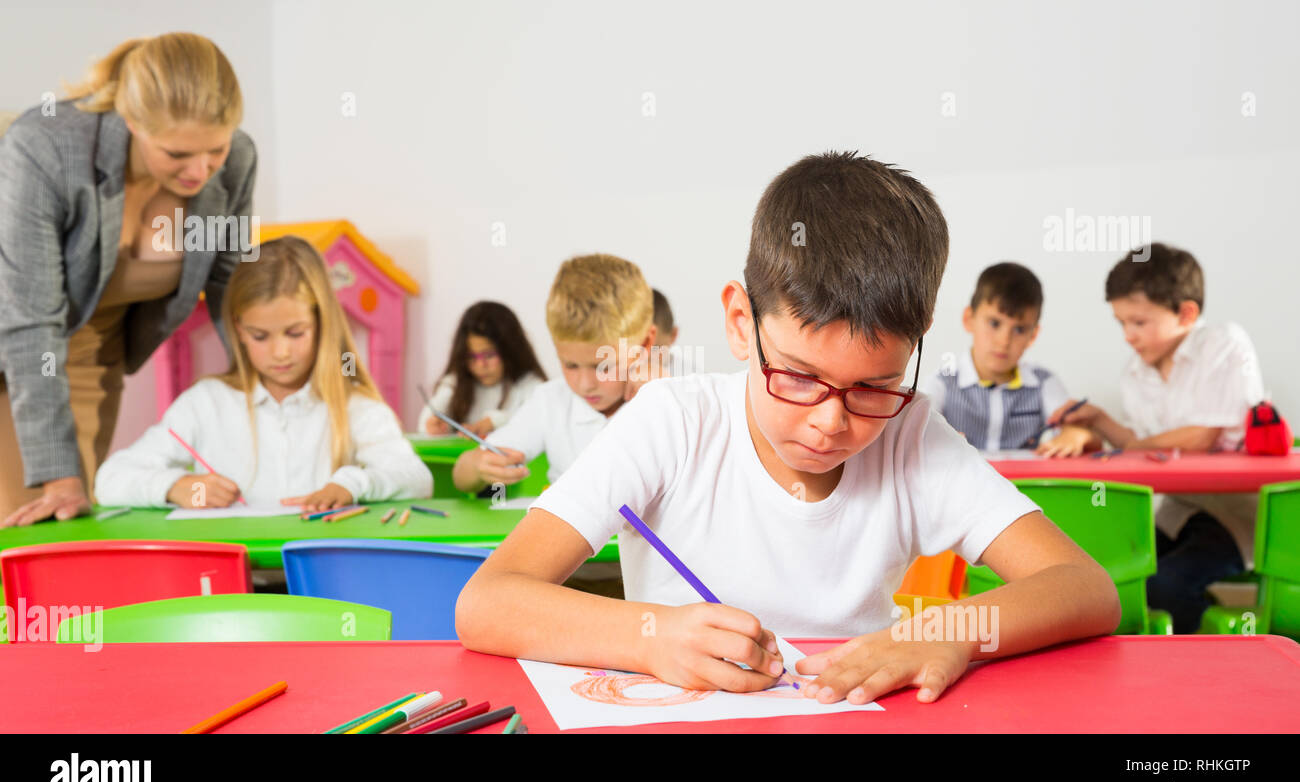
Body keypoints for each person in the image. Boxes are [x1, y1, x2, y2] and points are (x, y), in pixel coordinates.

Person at [456, 151, 1119, 704]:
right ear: (741, 323)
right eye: (799, 377)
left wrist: (957, 627)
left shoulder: (912, 437)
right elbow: (487, 602)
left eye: (874, 385)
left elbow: (1086, 587)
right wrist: (650, 634)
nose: (831, 421)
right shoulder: (672, 424)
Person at [1, 33, 257, 527]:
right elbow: (30, 320)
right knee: (28, 520)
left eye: (215, 149)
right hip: (22, 342)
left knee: (74, 520)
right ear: (132, 122)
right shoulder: (46, 150)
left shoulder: (236, 162)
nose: (200, 170)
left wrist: (267, 387)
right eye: (178, 154)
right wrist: (57, 474)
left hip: (96, 351)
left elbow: (233, 288)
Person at [94, 237, 431, 510]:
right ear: (238, 329)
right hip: (229, 588)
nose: (280, 352)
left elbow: (416, 479)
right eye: (260, 336)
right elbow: (109, 480)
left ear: (321, 324)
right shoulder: (205, 403)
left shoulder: (355, 405)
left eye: (295, 333)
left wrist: (351, 484)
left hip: (315, 587)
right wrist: (176, 486)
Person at [1050, 243, 1265, 632]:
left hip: (1235, 517)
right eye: (1122, 324)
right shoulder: (1136, 372)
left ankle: (1190, 663)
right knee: (1110, 575)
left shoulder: (1223, 344)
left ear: (1186, 314)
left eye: (1139, 322)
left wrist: (1131, 445)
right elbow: (1149, 444)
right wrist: (1097, 420)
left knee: (1167, 584)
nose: (1129, 336)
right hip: (1179, 510)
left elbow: (1202, 436)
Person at [451, 253, 657, 494]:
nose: (585, 385)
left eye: (604, 367)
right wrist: (478, 466)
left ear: (644, 345)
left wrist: (660, 399)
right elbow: (461, 476)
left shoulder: (671, 400)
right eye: (570, 365)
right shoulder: (551, 401)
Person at [922, 263, 1098, 456]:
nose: (1004, 341)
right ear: (969, 319)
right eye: (994, 323)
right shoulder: (942, 383)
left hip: (1023, 485)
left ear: (1033, 335)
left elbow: (1081, 434)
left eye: (1019, 329)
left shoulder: (1044, 383)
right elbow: (919, 437)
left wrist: (1076, 434)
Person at [418, 301, 546, 439]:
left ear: (510, 351)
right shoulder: (455, 383)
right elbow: (426, 422)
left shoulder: (531, 386)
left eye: (489, 355)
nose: (480, 365)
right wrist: (434, 425)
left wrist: (494, 422)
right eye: (471, 356)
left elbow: (540, 422)